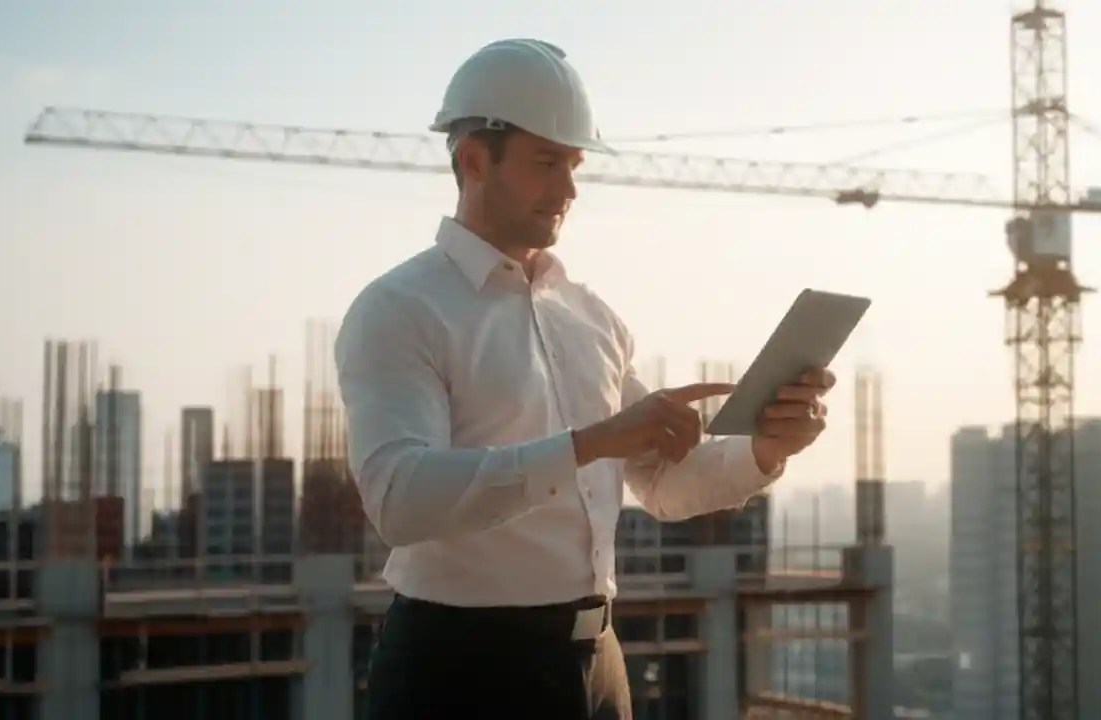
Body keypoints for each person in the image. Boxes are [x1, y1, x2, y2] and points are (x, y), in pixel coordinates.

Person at [335, 37, 834, 720]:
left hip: (598, 666)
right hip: (460, 673)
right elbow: (400, 500)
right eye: (547, 163)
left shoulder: (592, 317)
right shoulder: (399, 310)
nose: (570, 189)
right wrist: (589, 442)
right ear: (474, 161)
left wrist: (767, 449)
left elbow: (658, 484)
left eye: (574, 165)